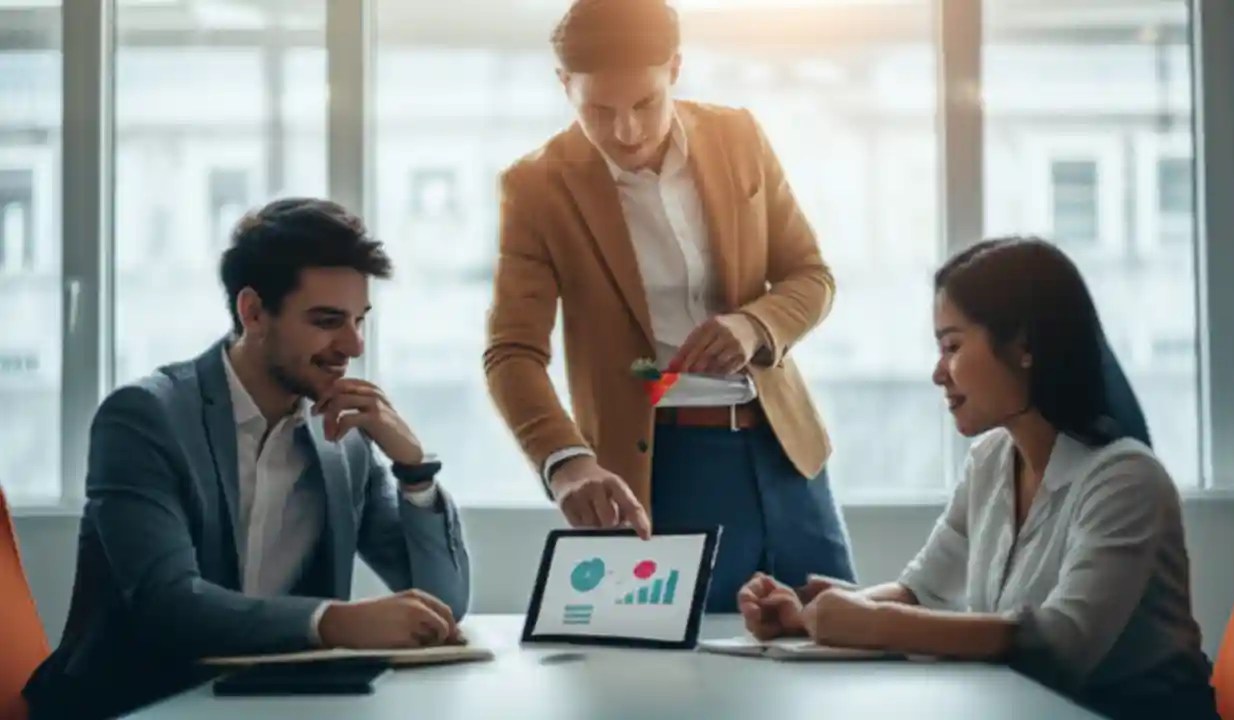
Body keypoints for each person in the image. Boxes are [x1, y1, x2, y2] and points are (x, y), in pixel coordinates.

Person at [24, 199, 471, 719]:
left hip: (275, 704)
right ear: (253, 312)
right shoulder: (145, 418)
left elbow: (443, 605)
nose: (352, 344)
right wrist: (335, 622)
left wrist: (415, 469)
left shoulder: (343, 438)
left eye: (359, 320)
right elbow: (169, 606)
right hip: (135, 702)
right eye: (327, 321)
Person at [737, 237, 1217, 720]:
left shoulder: (1126, 480)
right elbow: (919, 591)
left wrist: (875, 621)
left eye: (952, 346)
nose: (938, 373)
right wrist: (818, 615)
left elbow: (1060, 645)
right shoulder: (990, 461)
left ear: (1025, 346)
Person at [484, 0, 854, 611]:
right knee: (676, 685)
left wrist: (753, 324)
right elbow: (512, 351)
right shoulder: (536, 187)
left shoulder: (738, 136)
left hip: (786, 454)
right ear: (563, 86)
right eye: (598, 110)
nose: (625, 131)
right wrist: (566, 461)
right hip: (658, 468)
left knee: (834, 639)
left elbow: (810, 275)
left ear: (675, 68)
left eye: (644, 104)